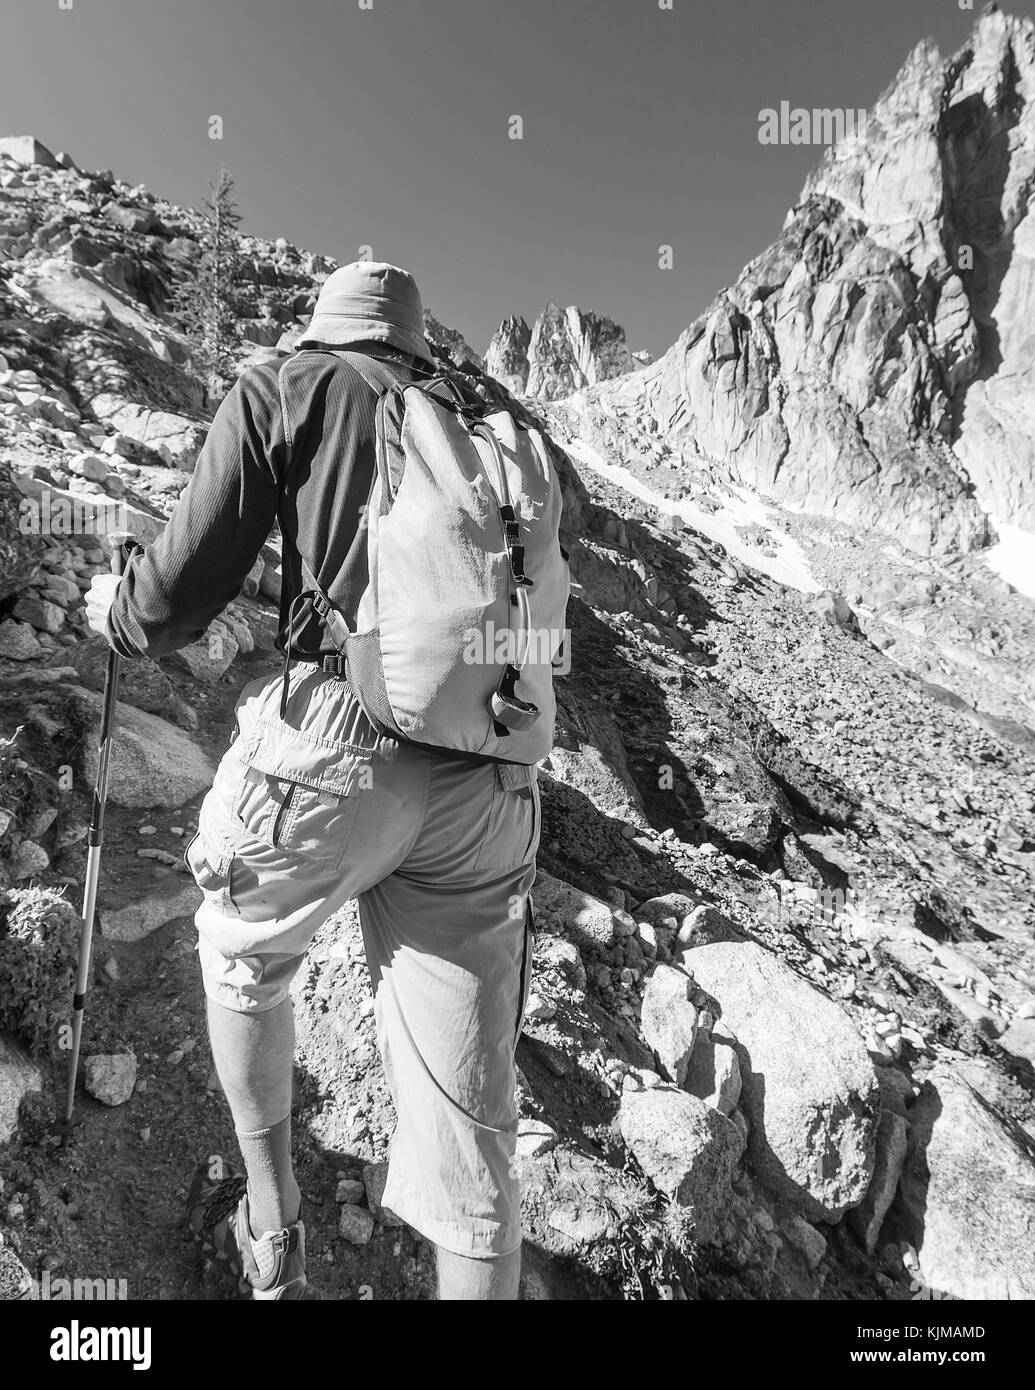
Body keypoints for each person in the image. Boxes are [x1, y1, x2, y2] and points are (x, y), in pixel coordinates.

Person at [86, 261, 540, 1301]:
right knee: (472, 1130)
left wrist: (115, 612)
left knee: (241, 954)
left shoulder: (290, 384)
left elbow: (172, 602)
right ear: (416, 345)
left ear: (325, 329)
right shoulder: (468, 427)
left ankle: (274, 1219)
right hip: (490, 777)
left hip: (342, 740)